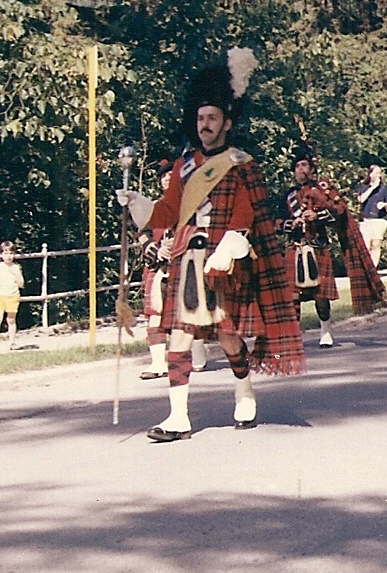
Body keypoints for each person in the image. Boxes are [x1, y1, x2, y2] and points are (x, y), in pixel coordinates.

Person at [118, 47, 304, 442]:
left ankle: (244, 390)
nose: (204, 124)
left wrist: (233, 241)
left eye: (212, 118)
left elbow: (246, 212)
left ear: (226, 122)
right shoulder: (184, 166)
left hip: (225, 262)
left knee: (227, 335)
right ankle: (178, 417)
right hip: (188, 261)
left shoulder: (241, 163)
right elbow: (168, 213)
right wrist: (139, 205)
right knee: (180, 336)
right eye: (200, 118)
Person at [278, 144, 387, 349]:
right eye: (297, 166)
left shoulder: (322, 189)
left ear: (311, 169)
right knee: (292, 297)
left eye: (304, 165)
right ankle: (294, 337)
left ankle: (326, 331)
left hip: (317, 247)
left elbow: (339, 212)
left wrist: (317, 216)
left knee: (320, 296)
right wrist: (288, 224)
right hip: (294, 248)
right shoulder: (288, 195)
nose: (301, 170)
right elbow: (275, 221)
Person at [136, 159, 175, 379]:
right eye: (164, 176)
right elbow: (142, 234)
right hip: (158, 266)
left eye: (171, 175)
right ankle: (158, 363)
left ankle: (197, 357)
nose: (167, 178)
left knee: (189, 314)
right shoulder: (152, 208)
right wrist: (156, 251)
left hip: (183, 264)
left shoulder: (189, 204)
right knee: (154, 315)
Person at [0, 241, 25, 351]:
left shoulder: (16, 268)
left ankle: (12, 342)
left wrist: (18, 275)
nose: (8, 256)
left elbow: (21, 284)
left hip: (12, 296)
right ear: (1, 255)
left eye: (11, 253)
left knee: (11, 320)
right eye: (6, 253)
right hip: (0, 295)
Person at [356, 164, 387, 269]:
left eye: (380, 173)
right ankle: (366, 268)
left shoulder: (384, 188)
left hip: (379, 219)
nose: (378, 175)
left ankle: (373, 268)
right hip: (366, 219)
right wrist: (372, 188)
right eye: (376, 173)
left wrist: (384, 205)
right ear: (370, 174)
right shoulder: (364, 186)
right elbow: (361, 200)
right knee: (366, 245)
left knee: (376, 244)